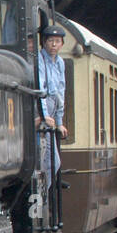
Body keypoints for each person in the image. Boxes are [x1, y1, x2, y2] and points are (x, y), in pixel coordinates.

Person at [36, 25, 67, 193]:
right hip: (43, 111)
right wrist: (44, 115)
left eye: (57, 41)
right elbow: (40, 88)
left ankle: (43, 194)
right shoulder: (40, 59)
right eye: (50, 41)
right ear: (44, 42)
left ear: (62, 44)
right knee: (49, 160)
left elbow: (61, 91)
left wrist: (60, 122)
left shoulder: (60, 63)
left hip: (53, 111)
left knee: (54, 162)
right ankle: (40, 195)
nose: (54, 45)